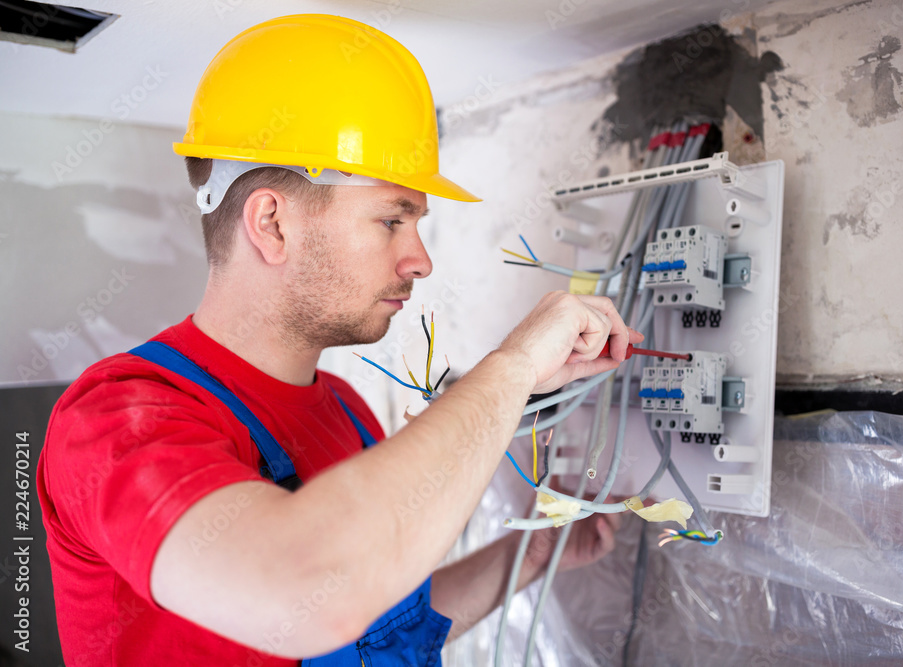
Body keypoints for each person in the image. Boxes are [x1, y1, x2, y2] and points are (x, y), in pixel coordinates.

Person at [38, 14, 641, 666]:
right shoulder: (118, 420)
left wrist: (530, 554)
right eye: (391, 220)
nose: (419, 260)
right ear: (272, 223)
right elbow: (306, 592)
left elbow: (379, 626)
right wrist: (514, 366)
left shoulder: (347, 412)